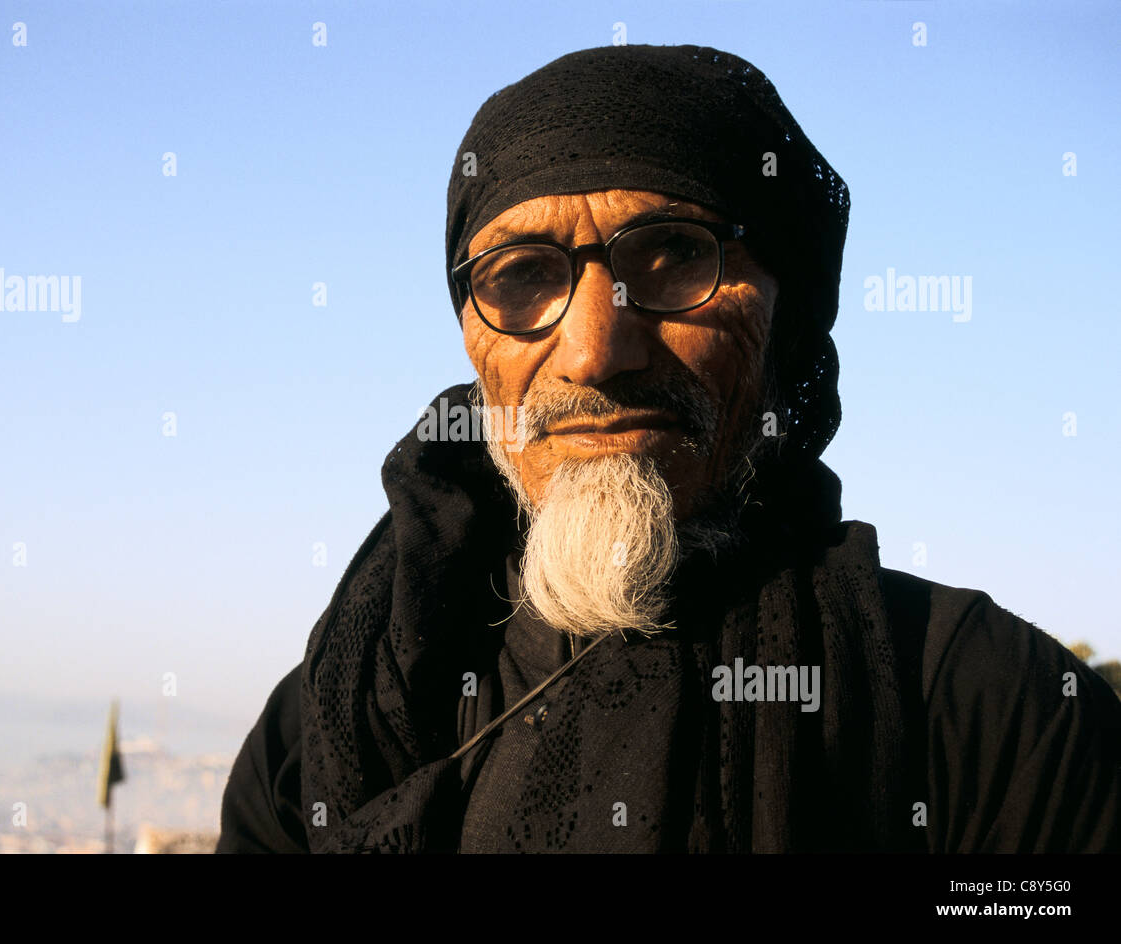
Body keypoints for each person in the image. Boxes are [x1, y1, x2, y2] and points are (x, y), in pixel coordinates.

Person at [216, 43, 1121, 853]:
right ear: (472, 343)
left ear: (785, 318)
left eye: (676, 258)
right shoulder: (331, 722)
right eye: (523, 277)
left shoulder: (986, 708)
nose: (594, 352)